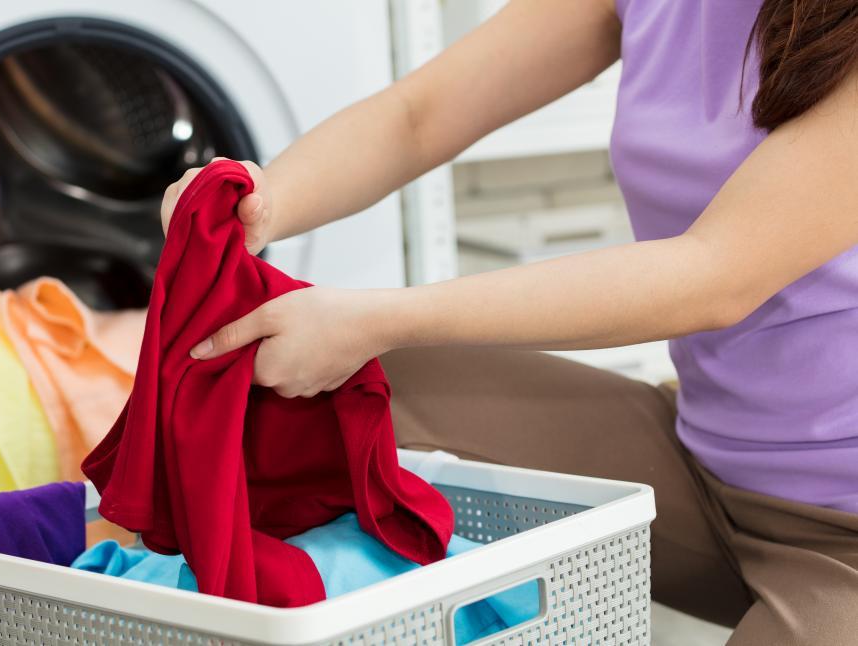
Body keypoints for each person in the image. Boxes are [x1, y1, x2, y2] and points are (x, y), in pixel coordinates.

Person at [161, 2, 858, 644]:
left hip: (845, 534)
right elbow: (421, 114)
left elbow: (712, 276)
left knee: (362, 354)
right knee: (354, 391)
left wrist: (377, 317)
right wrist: (264, 199)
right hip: (703, 464)